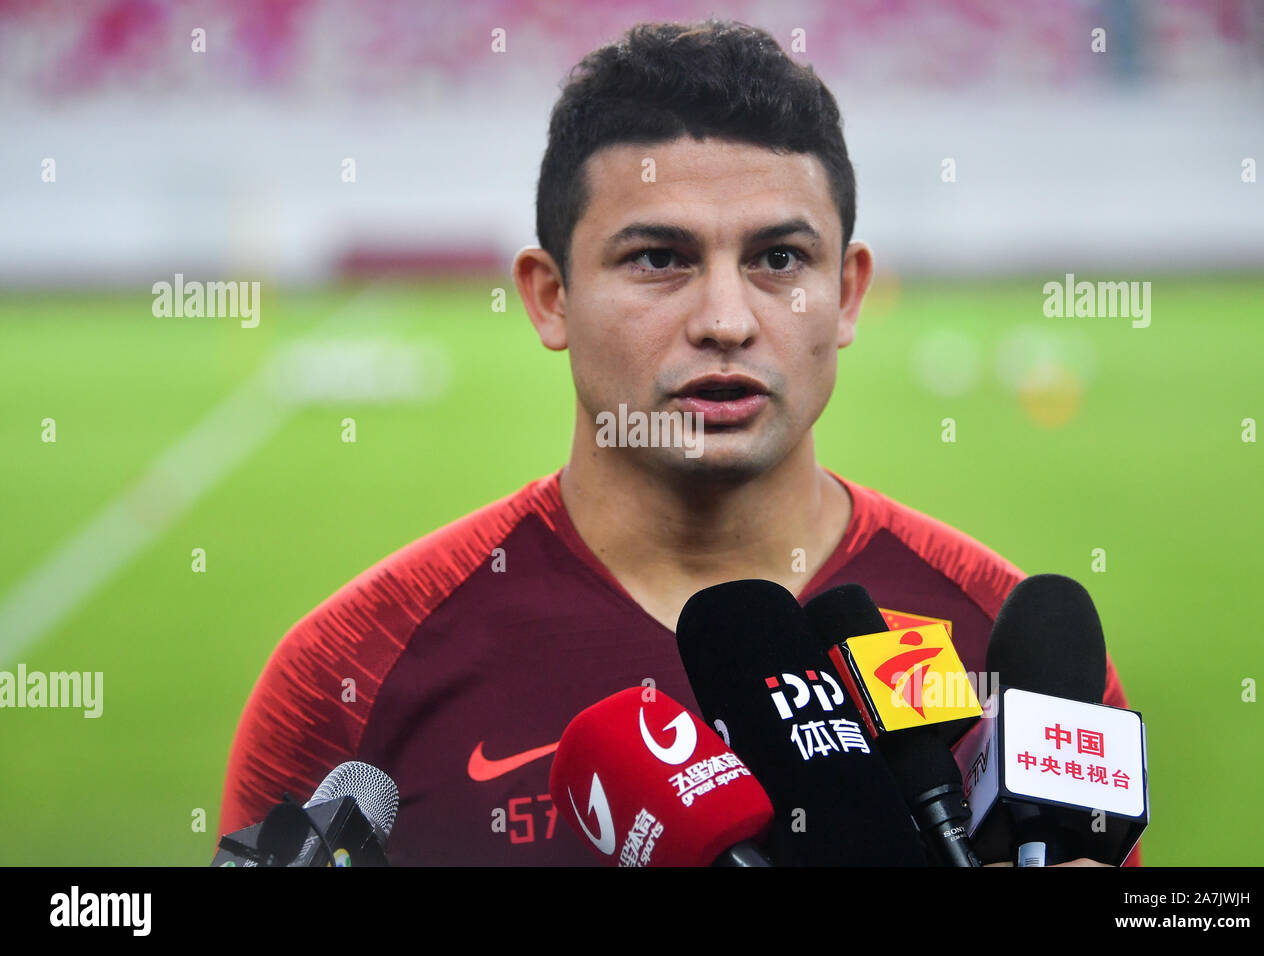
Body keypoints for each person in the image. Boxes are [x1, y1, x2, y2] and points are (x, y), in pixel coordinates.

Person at [219, 19, 1136, 865]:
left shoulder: (1017, 656)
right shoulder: (349, 674)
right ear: (550, 297)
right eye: (659, 259)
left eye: (780, 259)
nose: (727, 321)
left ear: (849, 294)